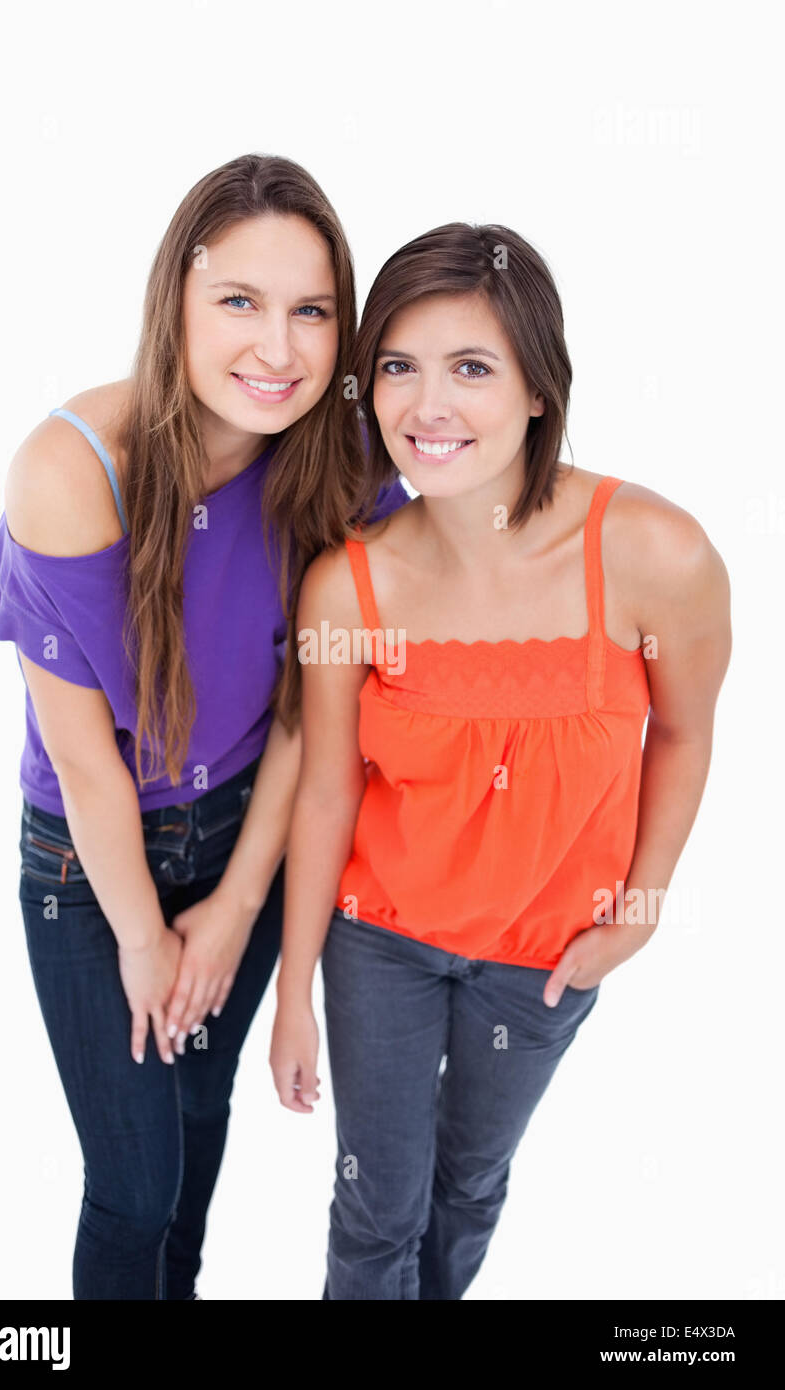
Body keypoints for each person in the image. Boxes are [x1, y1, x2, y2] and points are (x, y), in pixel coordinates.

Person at [0, 153, 407, 1300]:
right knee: (132, 1180)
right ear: (175, 299)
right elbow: (82, 759)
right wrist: (147, 938)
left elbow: (312, 719)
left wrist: (233, 908)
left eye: (311, 311)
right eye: (238, 303)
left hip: (241, 824)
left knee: (199, 1118)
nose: (277, 348)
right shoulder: (71, 470)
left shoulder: (345, 458)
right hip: (87, 856)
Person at [270, 221, 731, 1300]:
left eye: (470, 368)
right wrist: (295, 986)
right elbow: (328, 788)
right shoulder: (347, 583)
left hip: (544, 950)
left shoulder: (654, 554)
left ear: (536, 389)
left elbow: (683, 728)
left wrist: (644, 903)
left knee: (469, 1183)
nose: (426, 408)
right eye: (396, 367)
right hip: (376, 941)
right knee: (373, 1206)